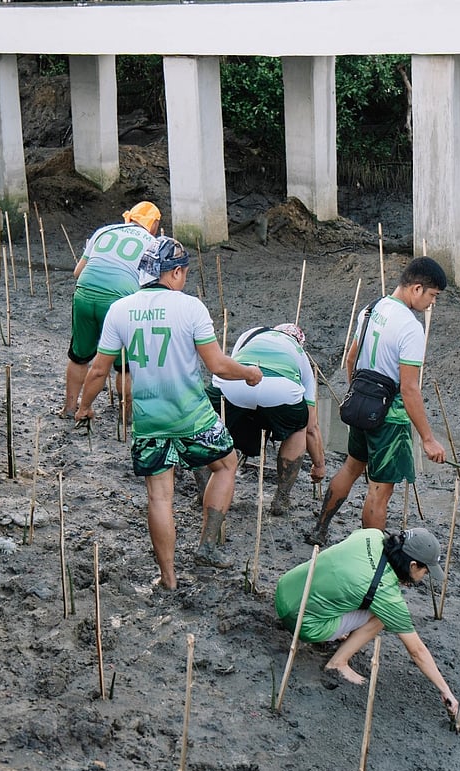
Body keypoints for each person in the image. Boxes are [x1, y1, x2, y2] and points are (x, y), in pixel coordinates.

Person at [74, 236, 263, 590]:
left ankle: (169, 578)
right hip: (193, 417)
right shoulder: (190, 308)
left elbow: (99, 370)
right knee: (226, 465)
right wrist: (251, 373)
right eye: (184, 273)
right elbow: (218, 366)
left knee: (159, 498)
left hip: (149, 421)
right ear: (174, 272)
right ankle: (207, 545)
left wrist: (84, 407)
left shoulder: (121, 309)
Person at [308, 257, 448, 546]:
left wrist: (360, 397)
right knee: (380, 490)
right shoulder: (411, 327)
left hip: (362, 408)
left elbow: (351, 359)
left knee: (350, 468)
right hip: (390, 420)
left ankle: (319, 530)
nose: (432, 303)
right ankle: (369, 554)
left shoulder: (371, 309)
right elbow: (409, 390)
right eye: (433, 296)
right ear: (417, 288)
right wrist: (428, 438)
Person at [275, 526, 458, 716]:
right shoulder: (387, 594)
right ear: (413, 565)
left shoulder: (371, 534)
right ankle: (338, 662)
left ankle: (335, 625)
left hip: (285, 591)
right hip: (302, 623)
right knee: (381, 616)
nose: (423, 578)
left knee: (362, 592)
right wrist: (445, 690)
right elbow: (417, 651)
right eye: (426, 572)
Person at [208, 323, 325, 515]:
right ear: (299, 342)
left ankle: (205, 490)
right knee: (299, 426)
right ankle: (282, 498)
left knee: (209, 422)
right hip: (281, 389)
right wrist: (318, 465)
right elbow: (311, 426)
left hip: (235, 384)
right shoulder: (300, 354)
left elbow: (230, 365)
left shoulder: (250, 333)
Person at [61, 201, 162, 419]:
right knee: (125, 365)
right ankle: (126, 416)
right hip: (120, 301)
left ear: (129, 217)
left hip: (84, 294)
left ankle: (69, 408)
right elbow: (150, 288)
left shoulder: (104, 231)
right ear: (154, 224)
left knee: (79, 356)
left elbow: (78, 272)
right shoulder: (154, 245)